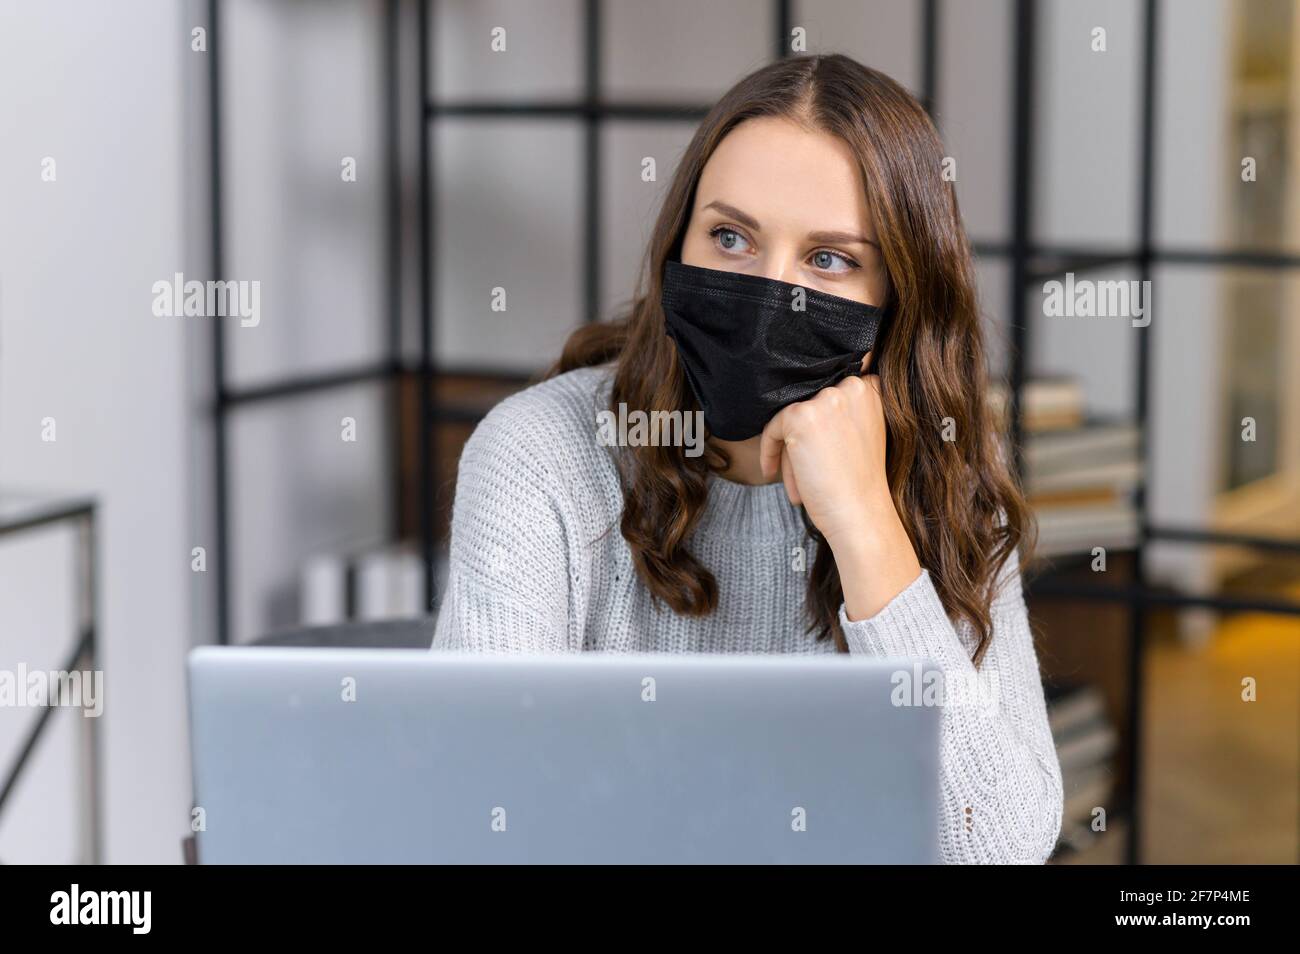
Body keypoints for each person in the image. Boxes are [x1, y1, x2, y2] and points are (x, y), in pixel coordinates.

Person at [432, 53, 1063, 865]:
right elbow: (476, 821)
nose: (771, 291)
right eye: (730, 237)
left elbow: (1001, 848)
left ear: (900, 296)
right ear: (680, 244)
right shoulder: (539, 454)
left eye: (829, 258)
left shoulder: (943, 479)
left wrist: (868, 529)